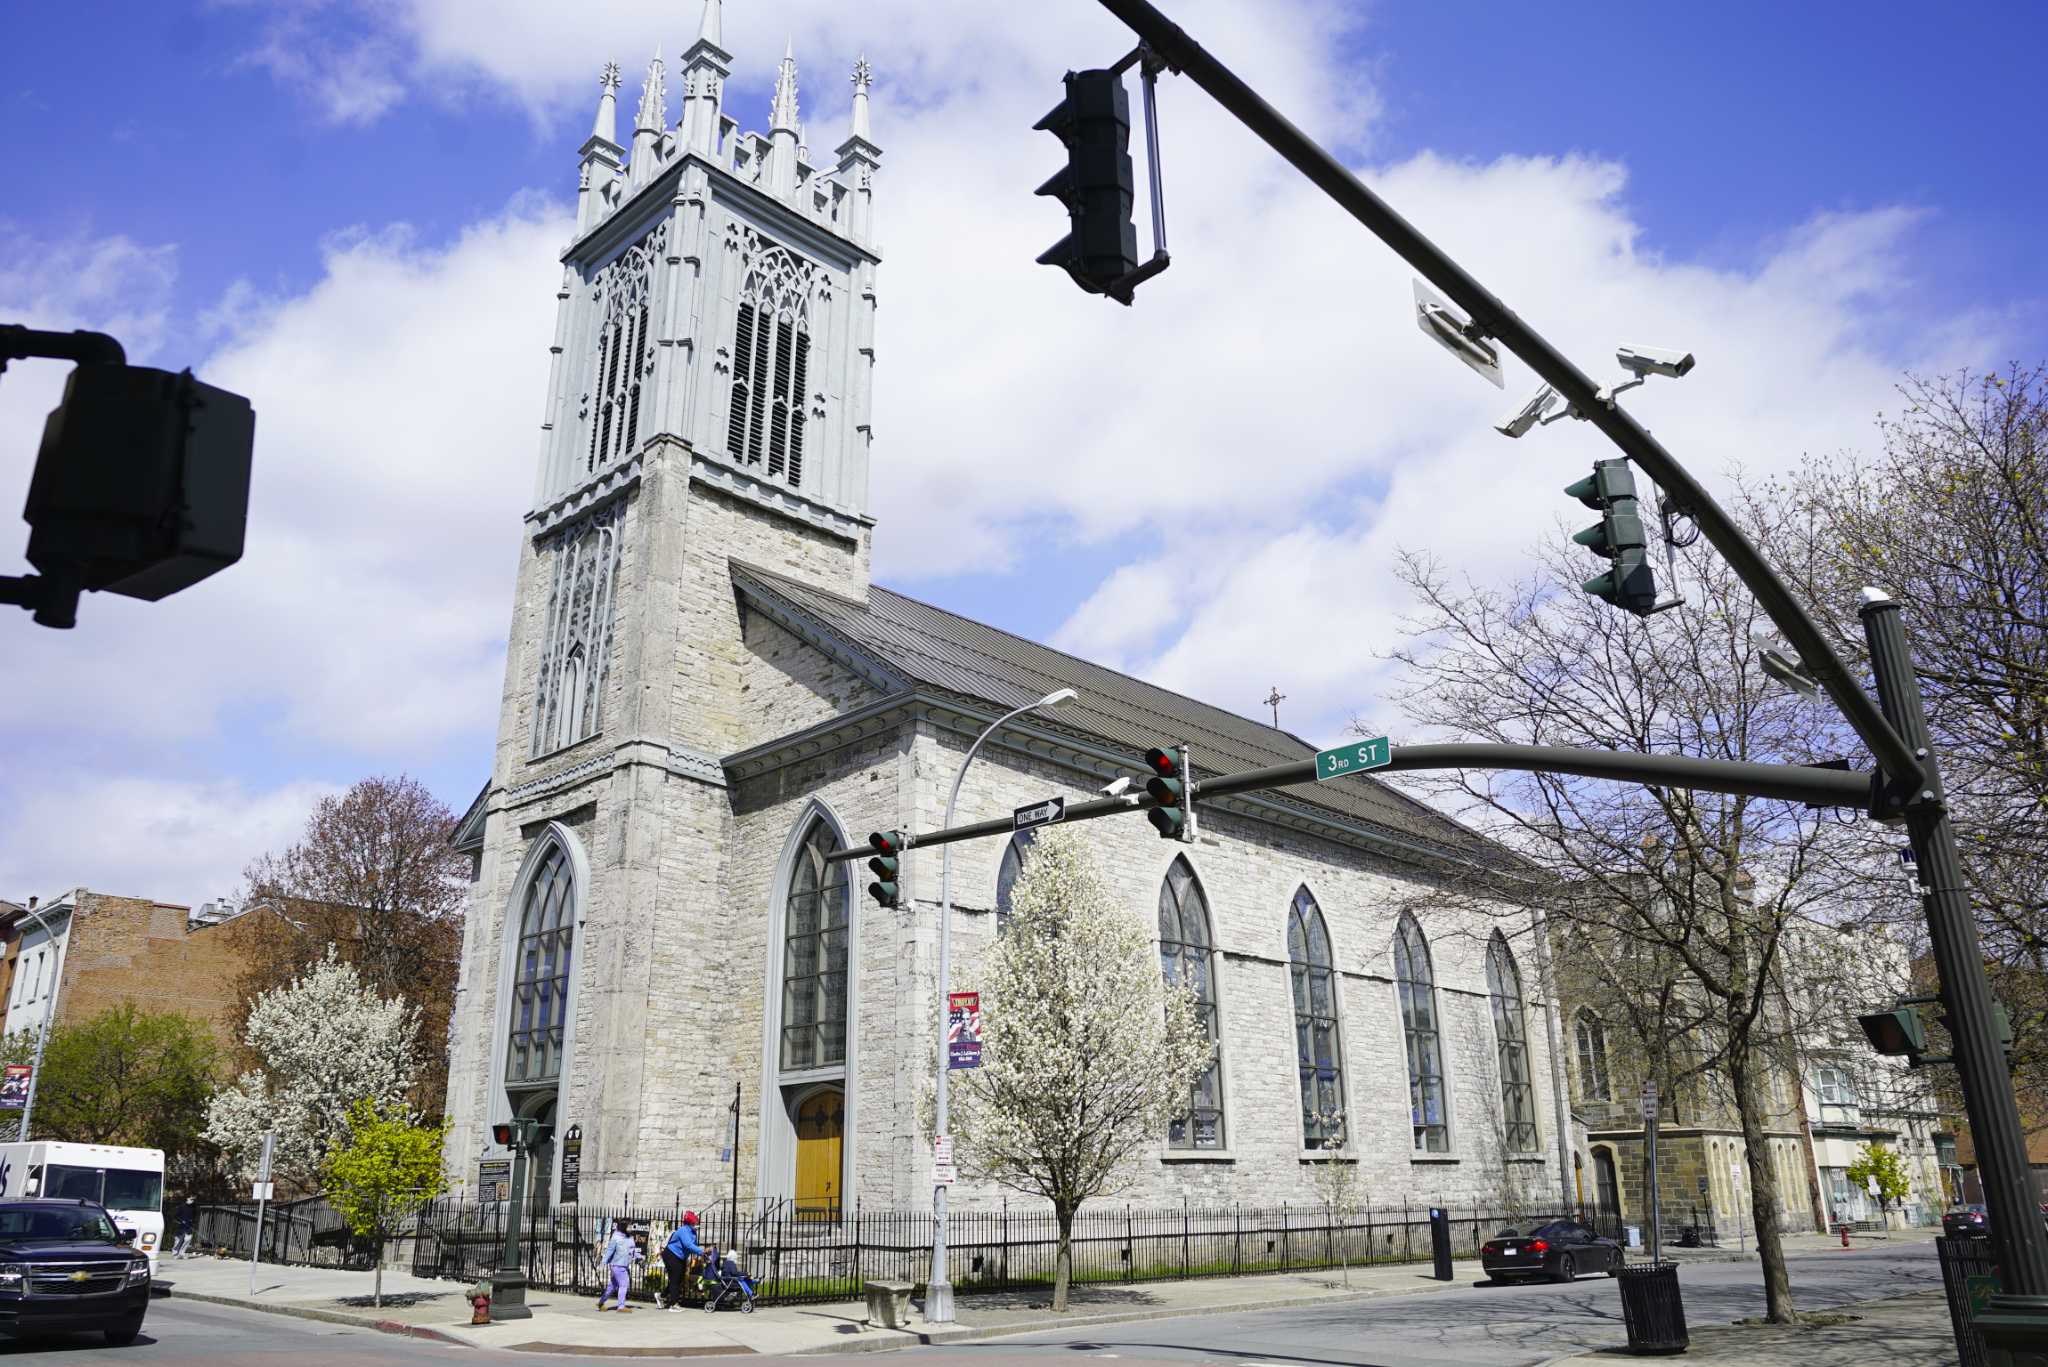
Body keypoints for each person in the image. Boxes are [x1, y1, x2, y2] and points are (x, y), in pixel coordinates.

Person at [595, 1217, 641, 1312]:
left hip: (624, 1265)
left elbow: (632, 1251)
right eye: (629, 1225)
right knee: (624, 1284)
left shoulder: (629, 1238)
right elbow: (609, 1251)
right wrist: (603, 1263)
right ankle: (621, 1306)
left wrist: (640, 1257)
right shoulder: (615, 1237)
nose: (631, 1227)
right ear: (624, 1226)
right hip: (617, 1265)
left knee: (612, 1286)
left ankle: (601, 1303)